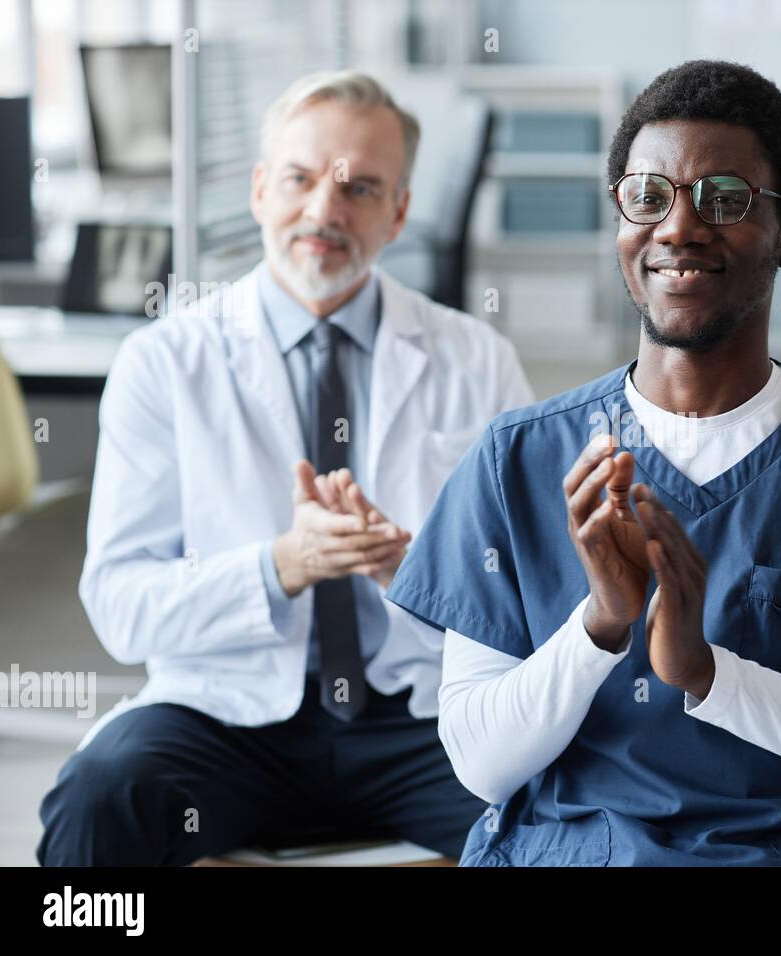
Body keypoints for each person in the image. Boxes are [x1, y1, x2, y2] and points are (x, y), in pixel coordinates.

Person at [385, 60, 781, 867]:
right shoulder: (515, 461)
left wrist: (709, 674)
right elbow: (480, 764)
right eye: (647, 196)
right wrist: (600, 625)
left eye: (724, 200)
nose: (678, 228)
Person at [37, 71, 534, 866]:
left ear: (399, 212)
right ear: (262, 190)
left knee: (577, 806)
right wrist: (282, 565)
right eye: (300, 179)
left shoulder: (476, 361)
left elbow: (525, 602)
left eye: (360, 188)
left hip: (420, 713)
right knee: (102, 796)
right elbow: (122, 607)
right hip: (223, 717)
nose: (324, 212)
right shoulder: (163, 362)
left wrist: (414, 570)